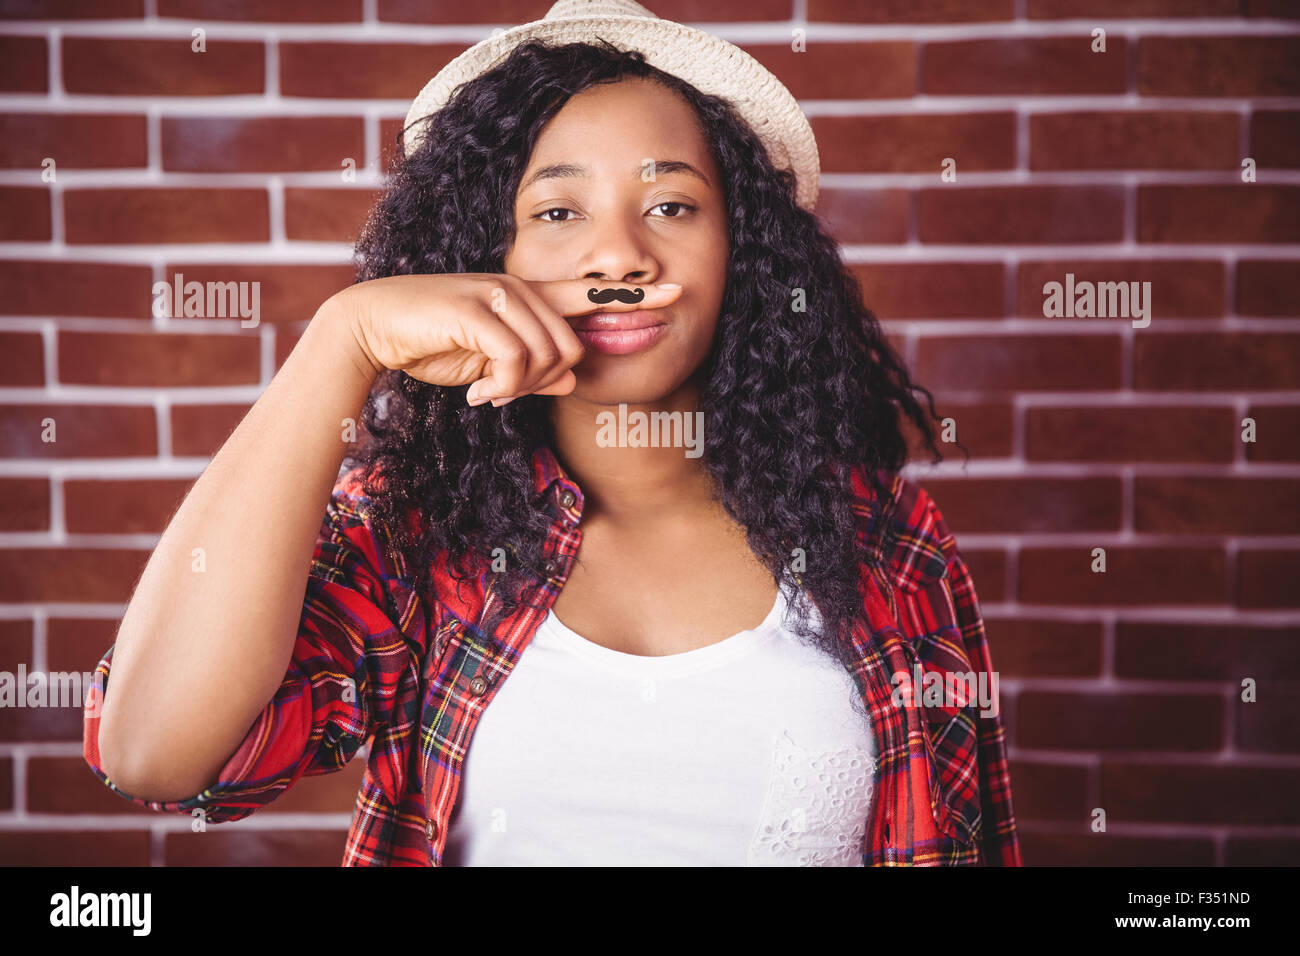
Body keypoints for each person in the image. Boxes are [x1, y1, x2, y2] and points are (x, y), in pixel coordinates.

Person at [82, 0, 1022, 867]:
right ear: (490, 256)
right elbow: (155, 753)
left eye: (671, 206)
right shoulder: (415, 532)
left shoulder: (889, 544)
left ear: (743, 250)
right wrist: (342, 340)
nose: (619, 255)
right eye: (558, 211)